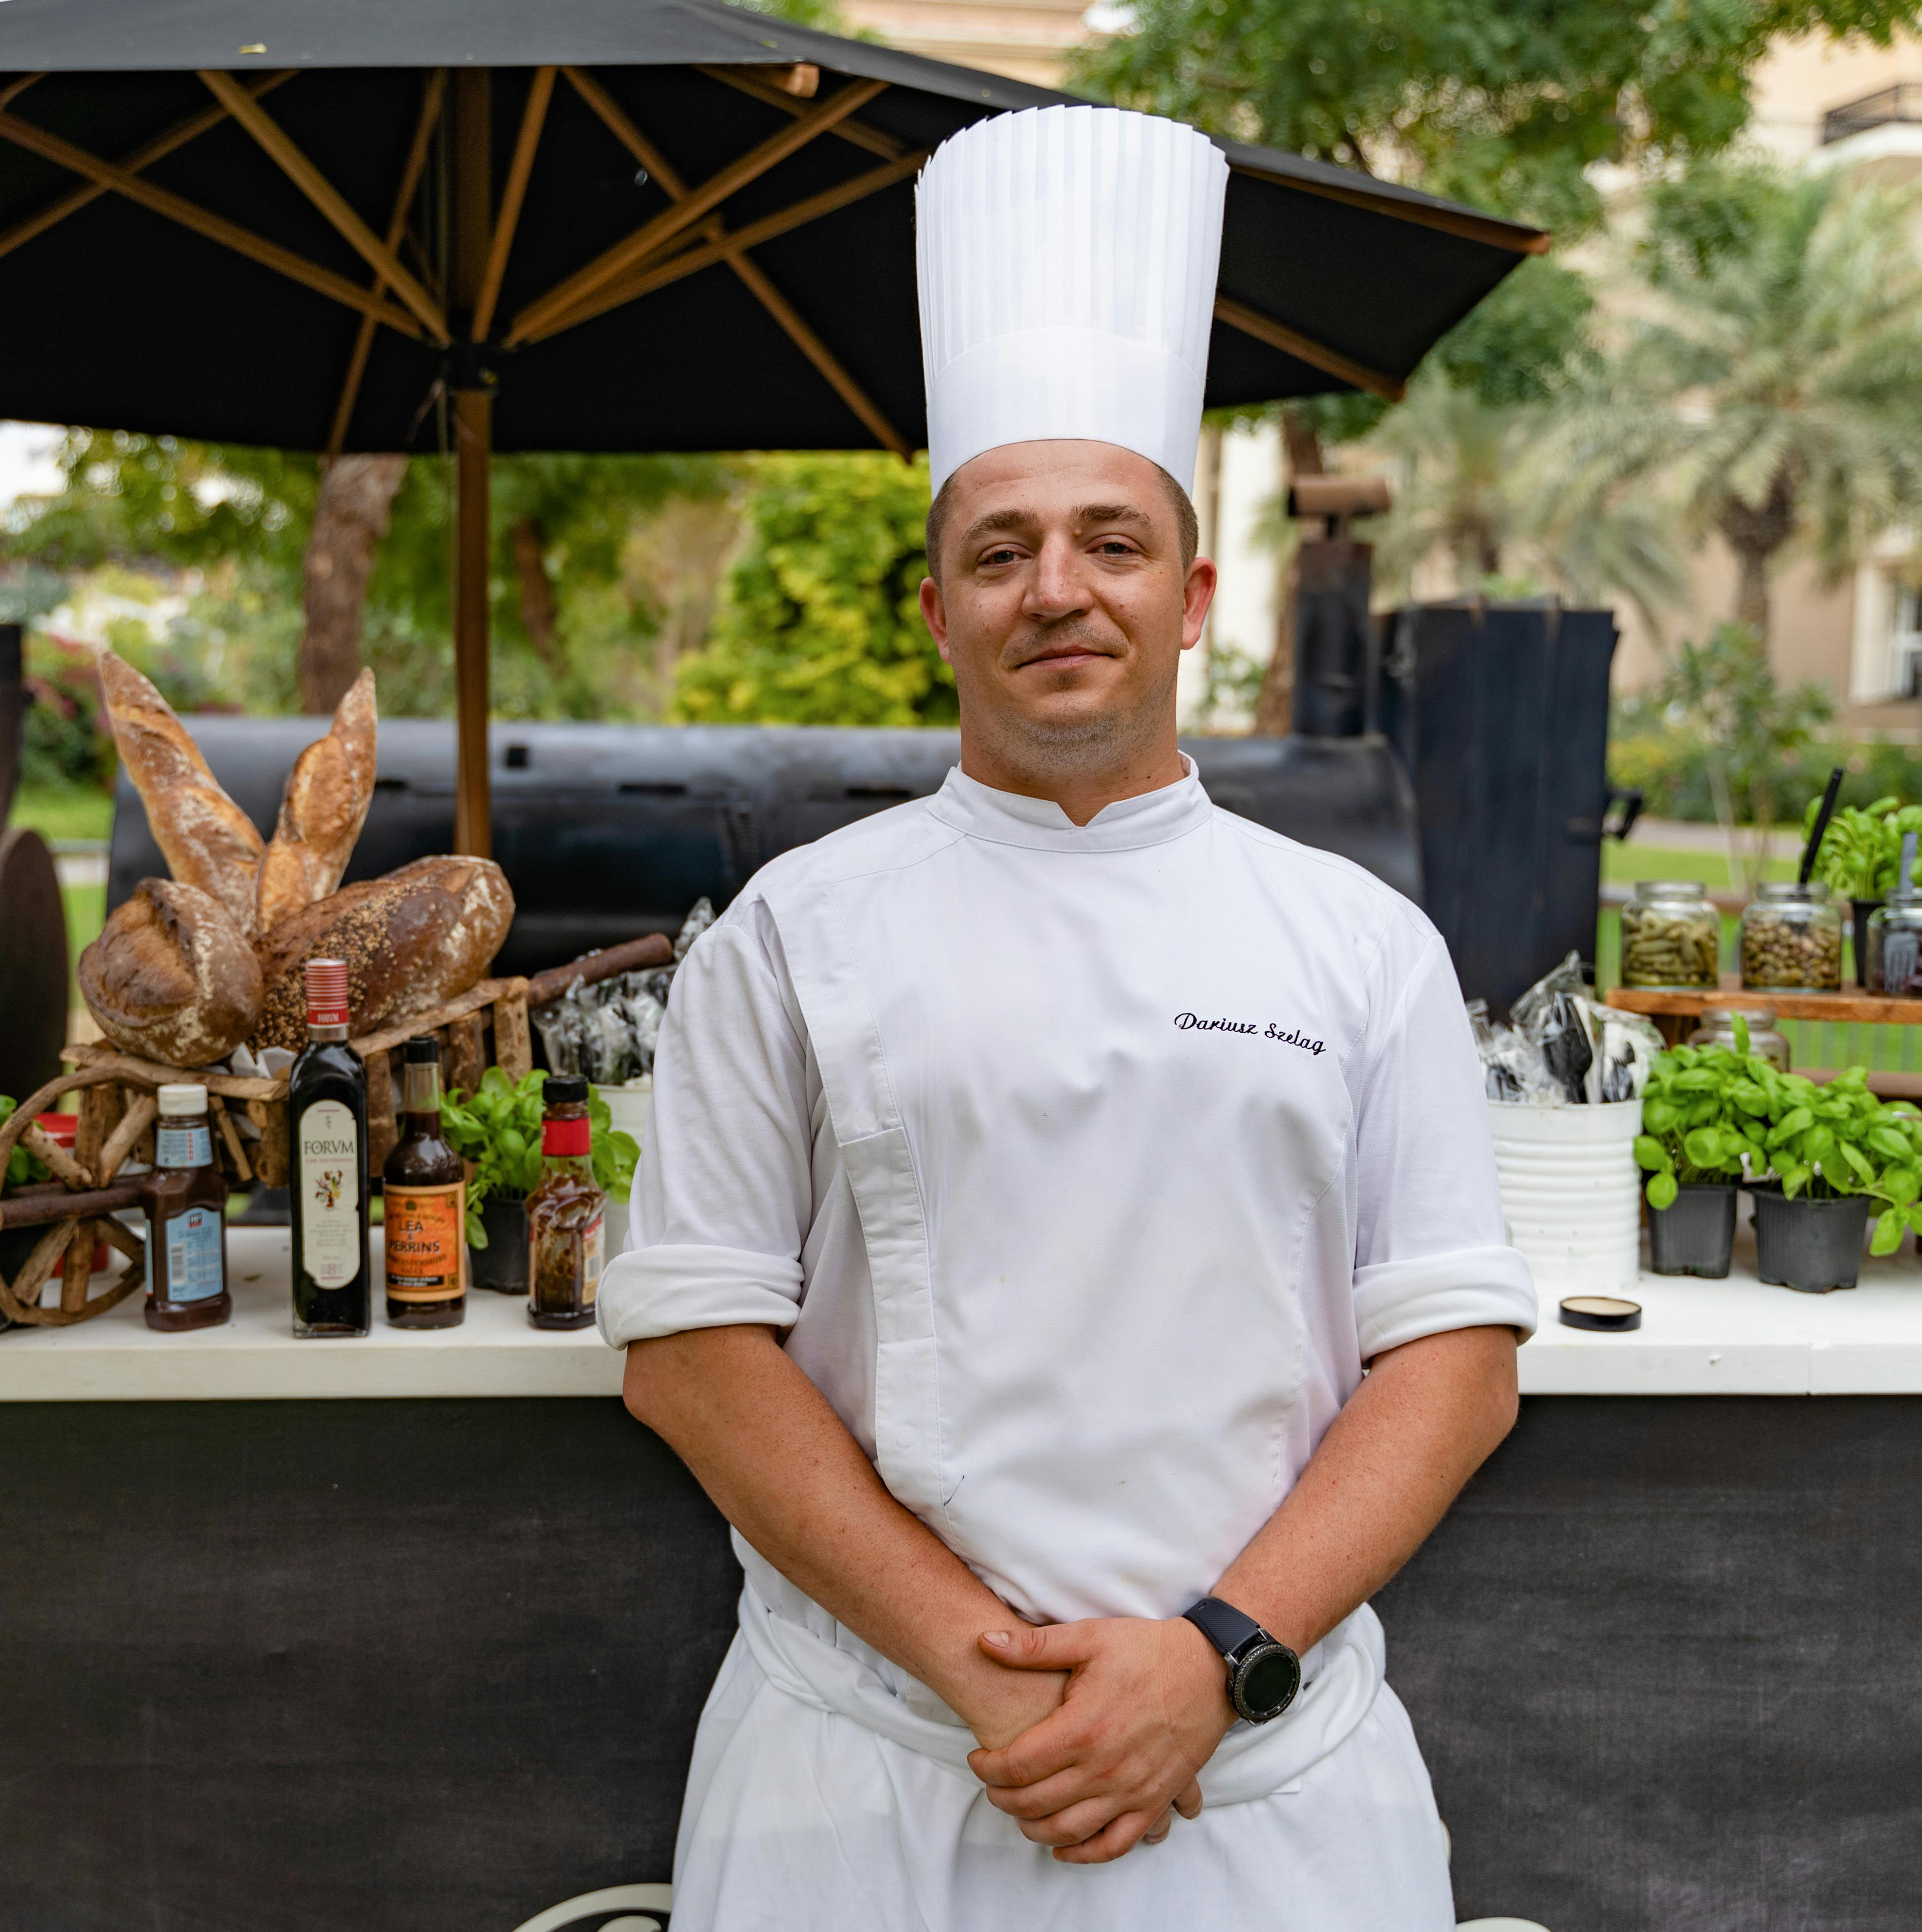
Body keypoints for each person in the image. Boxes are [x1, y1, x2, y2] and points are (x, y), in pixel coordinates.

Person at [598, 103, 1536, 1929]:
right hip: (864, 1776)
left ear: (1190, 600)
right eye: (1001, 549)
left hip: (1263, 1789)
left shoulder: (1355, 939)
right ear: (938, 607)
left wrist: (1208, 1662)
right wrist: (981, 1671)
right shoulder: (791, 934)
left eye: (1110, 543)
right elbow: (692, 1353)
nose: (1057, 591)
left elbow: (1454, 1367)